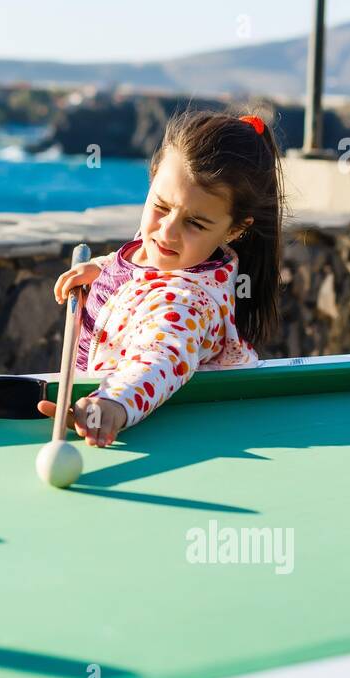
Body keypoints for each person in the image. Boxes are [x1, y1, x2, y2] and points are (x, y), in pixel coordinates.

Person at [39, 110, 282, 446]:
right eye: (162, 206)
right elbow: (140, 266)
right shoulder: (169, 251)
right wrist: (104, 268)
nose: (167, 232)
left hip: (149, 421)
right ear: (152, 181)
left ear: (237, 229)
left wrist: (113, 403)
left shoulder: (188, 303)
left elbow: (163, 355)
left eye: (195, 224)